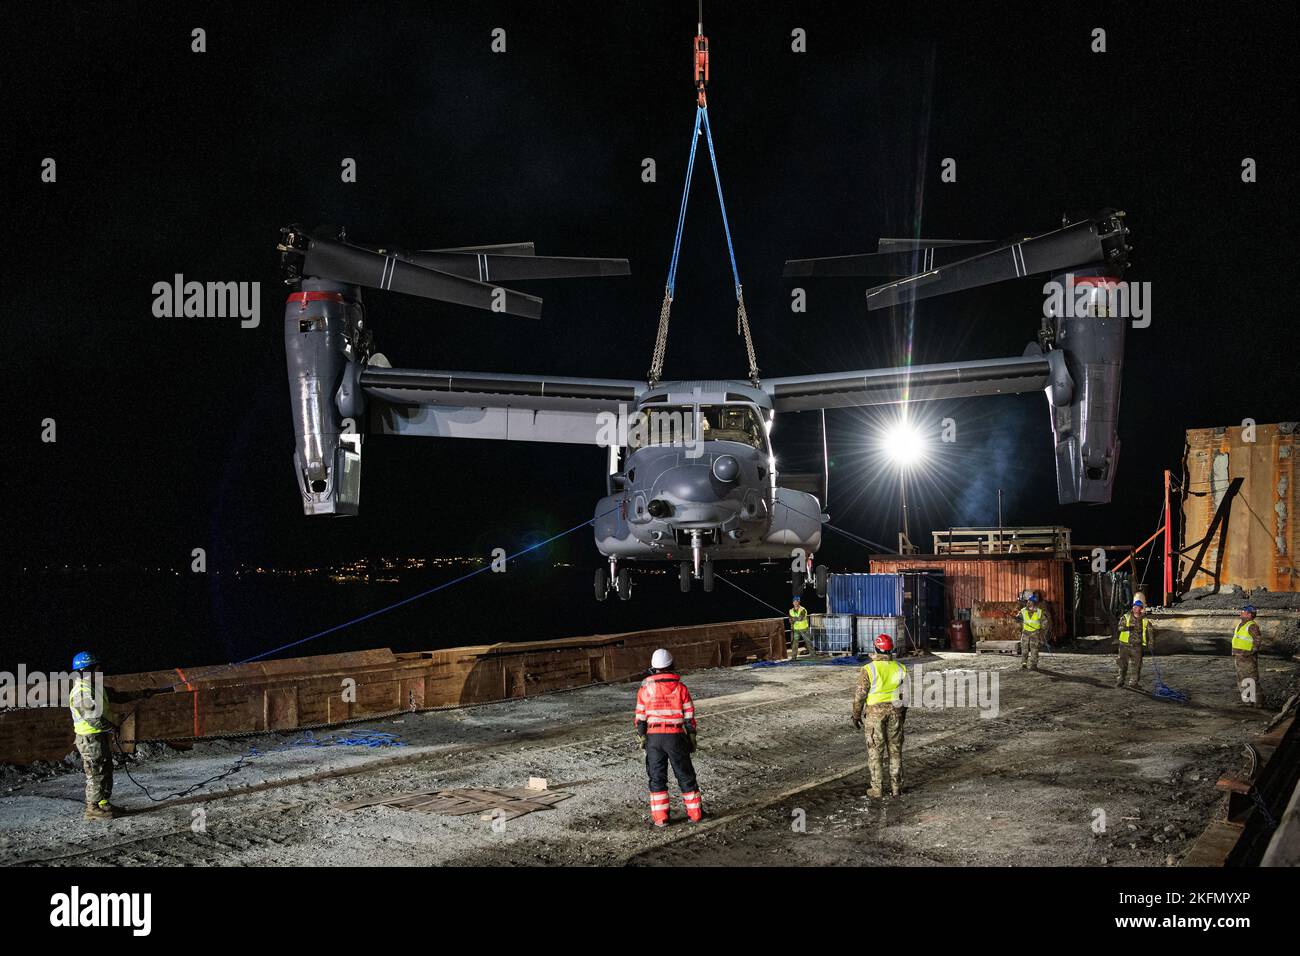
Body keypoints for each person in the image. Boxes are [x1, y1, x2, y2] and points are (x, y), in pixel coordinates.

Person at [634, 648, 702, 827]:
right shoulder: (681, 688)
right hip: (675, 737)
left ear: (653, 668)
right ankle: (695, 815)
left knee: (657, 778)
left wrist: (642, 736)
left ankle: (661, 819)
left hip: (654, 738)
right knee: (685, 776)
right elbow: (689, 715)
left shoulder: (645, 689)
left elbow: (640, 717)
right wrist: (692, 736)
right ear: (672, 665)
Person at [850, 634, 908, 798]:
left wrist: (856, 715)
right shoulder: (900, 668)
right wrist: (902, 715)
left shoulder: (869, 669)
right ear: (892, 650)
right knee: (895, 751)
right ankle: (896, 788)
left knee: (875, 751)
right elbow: (907, 696)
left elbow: (860, 695)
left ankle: (877, 789)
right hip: (895, 712)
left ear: (876, 649)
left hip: (875, 715)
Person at [69, 651, 119, 820]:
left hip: (98, 735)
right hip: (90, 738)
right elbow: (92, 718)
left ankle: (103, 803)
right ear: (87, 670)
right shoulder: (81, 692)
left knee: (105, 768)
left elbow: (116, 696)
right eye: (97, 668)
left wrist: (144, 693)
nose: (100, 671)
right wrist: (111, 727)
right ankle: (92, 808)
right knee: (95, 771)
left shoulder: (93, 687)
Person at [1115, 599, 1153, 689]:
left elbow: (1150, 632)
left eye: (1138, 607)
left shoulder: (1145, 620)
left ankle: (1133, 683)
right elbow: (1119, 628)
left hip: (1137, 646)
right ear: (1133, 607)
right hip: (1124, 645)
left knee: (1137, 666)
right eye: (1135, 607)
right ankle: (1120, 681)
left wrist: (1151, 642)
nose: (1136, 609)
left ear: (1141, 609)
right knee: (1122, 664)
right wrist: (1127, 628)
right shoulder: (1126, 617)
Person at [1232, 605, 1263, 708]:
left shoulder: (1252, 626)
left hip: (1248, 658)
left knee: (1251, 680)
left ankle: (1258, 703)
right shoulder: (1241, 624)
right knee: (1242, 679)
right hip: (1239, 657)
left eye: (1244, 611)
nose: (1241, 612)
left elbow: (1257, 641)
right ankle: (1247, 701)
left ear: (1249, 614)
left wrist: (1250, 653)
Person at [1014, 594, 1049, 671]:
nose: (1028, 602)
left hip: (1035, 633)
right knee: (1024, 649)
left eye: (1030, 601)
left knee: (1034, 649)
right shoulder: (1023, 611)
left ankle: (1033, 665)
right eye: (1028, 601)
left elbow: (1045, 622)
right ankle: (1024, 664)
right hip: (1025, 633)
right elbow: (1018, 619)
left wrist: (1042, 629)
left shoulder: (1039, 612)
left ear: (1034, 602)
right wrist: (1017, 619)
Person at [788, 595, 813, 660]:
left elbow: (801, 618)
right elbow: (790, 620)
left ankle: (813, 656)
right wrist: (792, 620)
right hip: (796, 630)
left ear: (799, 602)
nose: (795, 603)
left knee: (808, 643)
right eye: (794, 601)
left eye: (797, 601)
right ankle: (793, 658)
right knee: (795, 643)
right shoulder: (790, 611)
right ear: (792, 602)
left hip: (804, 629)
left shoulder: (803, 610)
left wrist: (793, 619)